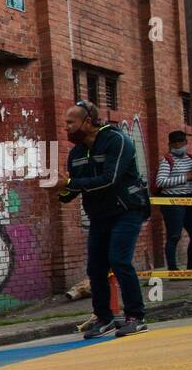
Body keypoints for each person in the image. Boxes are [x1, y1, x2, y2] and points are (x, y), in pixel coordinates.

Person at [60, 99, 151, 338]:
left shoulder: (117, 141)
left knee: (119, 260)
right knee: (95, 267)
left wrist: (70, 183)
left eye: (70, 122)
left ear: (88, 121)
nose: (66, 127)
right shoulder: (76, 153)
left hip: (127, 210)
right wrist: (58, 188)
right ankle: (104, 318)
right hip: (100, 216)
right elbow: (71, 193)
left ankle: (135, 317)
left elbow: (110, 179)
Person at [153, 129, 192, 270]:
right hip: (172, 201)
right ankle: (173, 270)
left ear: (186, 143)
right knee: (174, 235)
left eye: (181, 142)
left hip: (190, 200)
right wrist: (186, 177)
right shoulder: (167, 161)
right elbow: (160, 182)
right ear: (170, 145)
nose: (179, 146)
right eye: (175, 143)